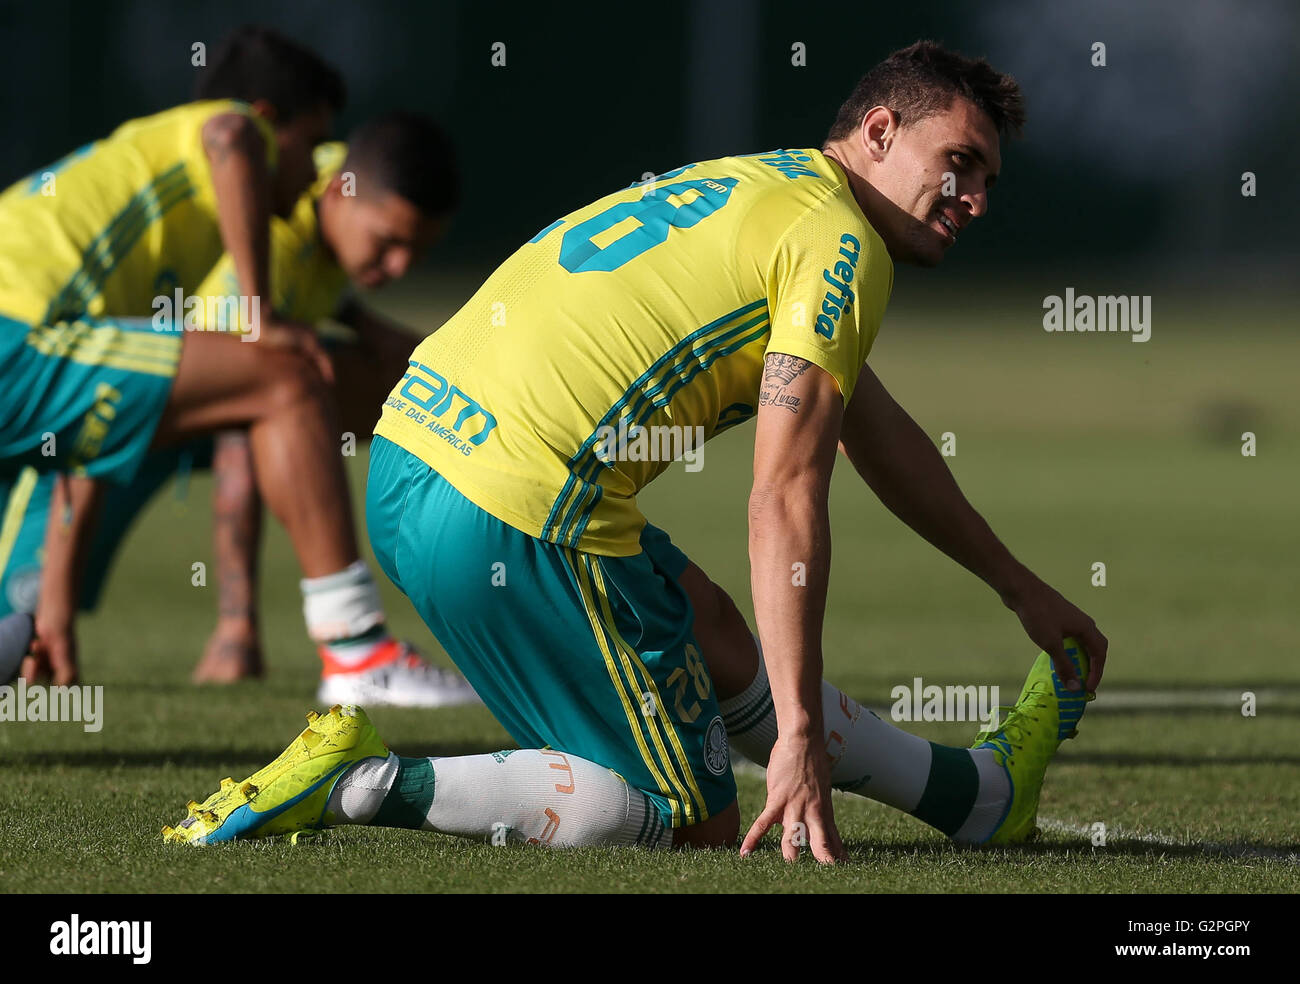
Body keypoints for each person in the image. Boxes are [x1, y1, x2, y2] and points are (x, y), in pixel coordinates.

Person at [164, 41, 1108, 859]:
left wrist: (1015, 584)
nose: (975, 198)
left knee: (712, 631)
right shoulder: (840, 246)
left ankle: (977, 798)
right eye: (959, 162)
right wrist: (799, 734)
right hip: (518, 514)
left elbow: (874, 428)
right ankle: (361, 785)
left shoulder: (766, 182)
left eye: (988, 178)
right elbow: (782, 497)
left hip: (416, 462)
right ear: (876, 131)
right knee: (682, 819)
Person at [0, 28, 462, 708]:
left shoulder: (162, 194)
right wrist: (260, 314)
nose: (313, 170)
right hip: (21, 336)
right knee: (283, 377)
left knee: (16, 627)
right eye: (308, 146)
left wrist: (57, 603)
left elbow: (85, 433)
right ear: (269, 123)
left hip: (46, 362)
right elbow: (229, 138)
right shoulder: (226, 131)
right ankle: (359, 651)